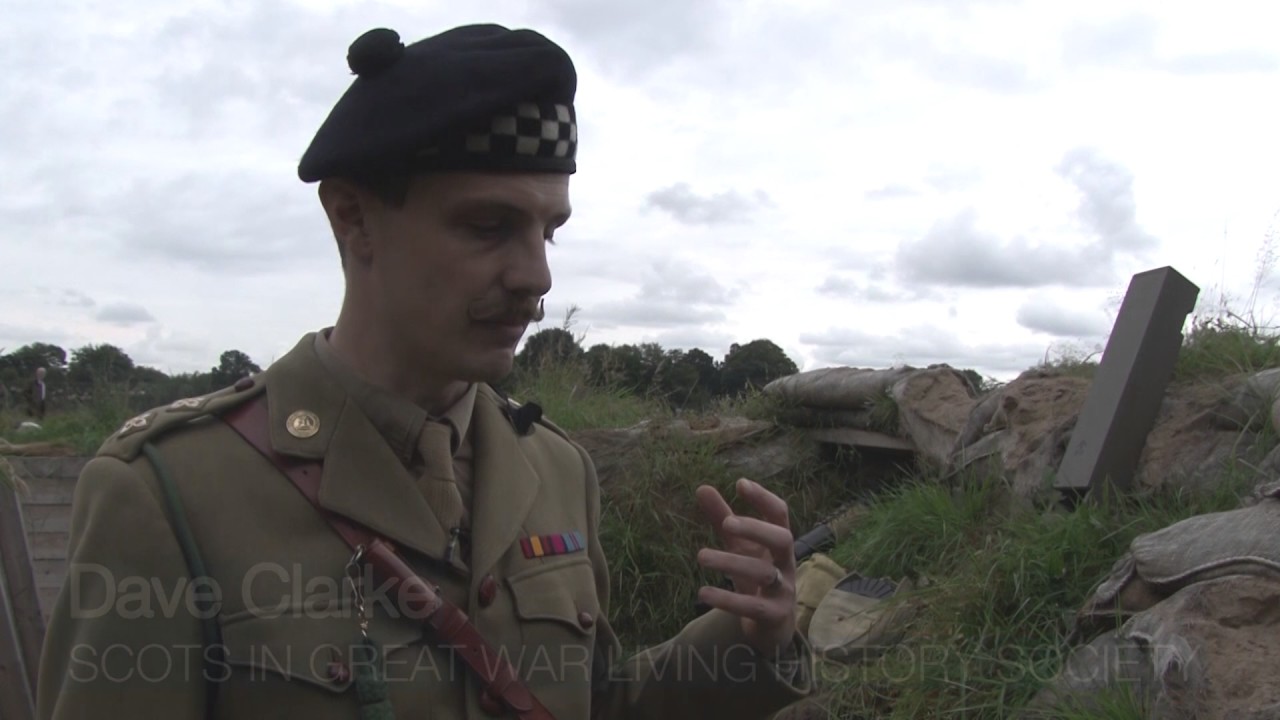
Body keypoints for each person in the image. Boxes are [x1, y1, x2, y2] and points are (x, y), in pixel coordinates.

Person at [36, 24, 813, 720]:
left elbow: (592, 702)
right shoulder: (167, 493)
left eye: (550, 231)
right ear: (354, 218)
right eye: (488, 226)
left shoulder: (555, 471)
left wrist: (747, 639)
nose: (536, 275)